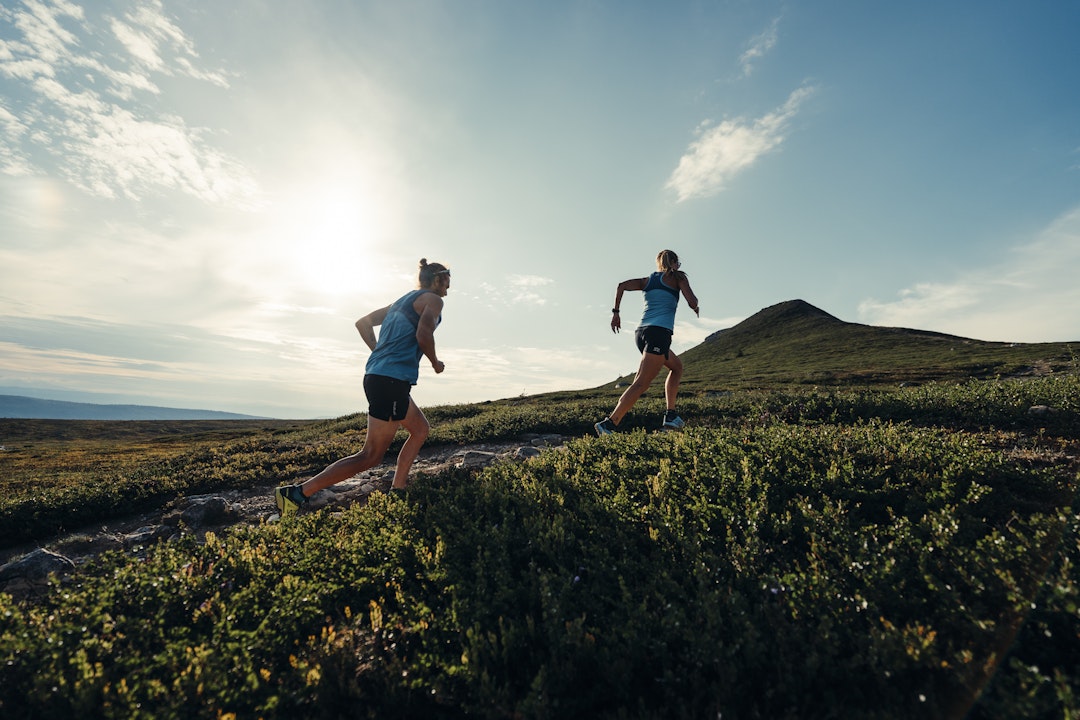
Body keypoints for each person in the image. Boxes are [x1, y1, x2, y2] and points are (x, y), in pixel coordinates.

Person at [274, 259, 450, 517]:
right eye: (447, 280)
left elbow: (363, 323)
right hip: (390, 381)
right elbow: (423, 335)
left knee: (420, 429)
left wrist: (380, 353)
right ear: (437, 279)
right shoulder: (433, 300)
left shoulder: (400, 302)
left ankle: (398, 489)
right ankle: (296, 494)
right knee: (370, 456)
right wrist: (435, 363)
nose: (449, 286)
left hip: (379, 376)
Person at [595, 249, 699, 436]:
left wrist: (616, 313)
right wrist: (696, 305)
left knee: (676, 367)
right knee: (641, 384)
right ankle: (609, 424)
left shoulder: (647, 281)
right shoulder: (678, 277)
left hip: (642, 333)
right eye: (677, 263)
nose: (678, 267)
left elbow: (621, 286)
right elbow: (692, 301)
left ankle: (671, 414)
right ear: (673, 262)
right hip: (659, 333)